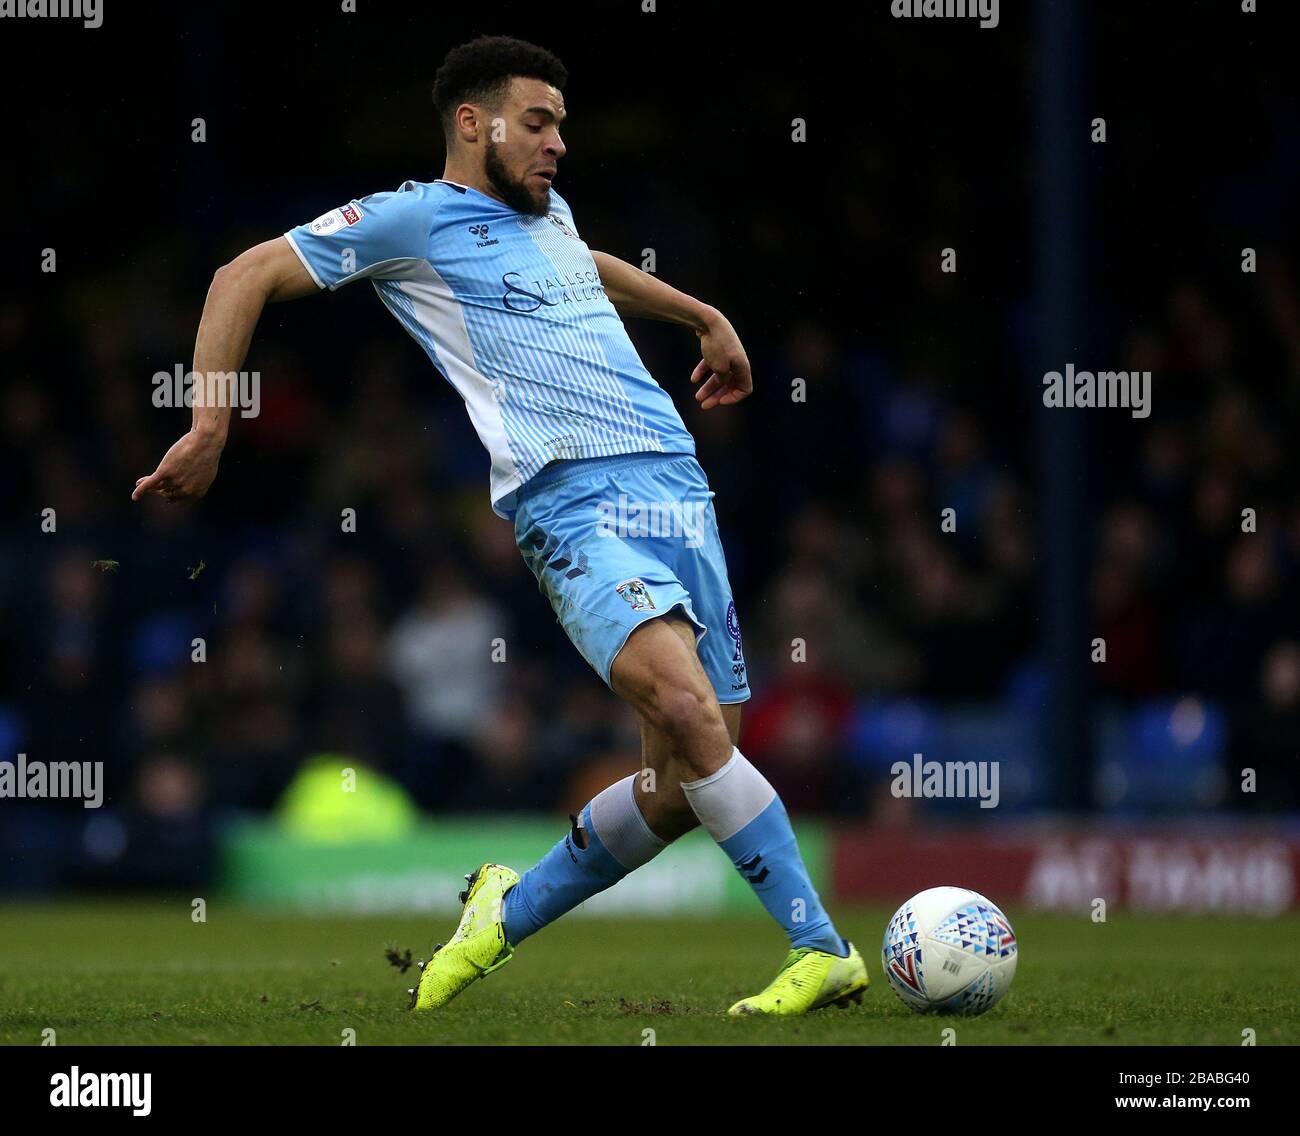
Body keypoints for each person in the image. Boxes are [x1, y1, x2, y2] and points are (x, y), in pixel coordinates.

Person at [132, 34, 866, 1016]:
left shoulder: (545, 211)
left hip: (677, 487)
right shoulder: (413, 219)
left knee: (688, 778)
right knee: (692, 717)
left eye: (562, 122)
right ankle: (821, 948)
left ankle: (501, 916)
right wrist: (211, 421)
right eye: (538, 121)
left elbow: (586, 264)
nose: (559, 140)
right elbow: (243, 273)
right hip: (570, 499)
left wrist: (702, 316)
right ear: (471, 124)